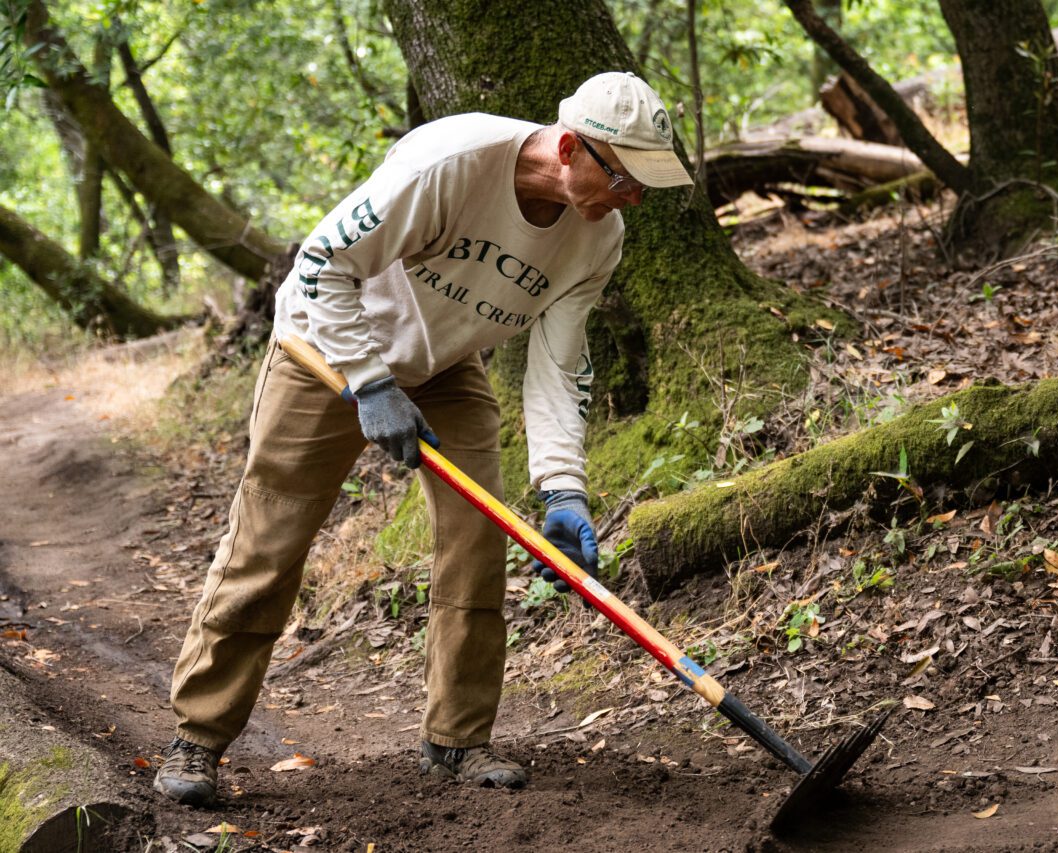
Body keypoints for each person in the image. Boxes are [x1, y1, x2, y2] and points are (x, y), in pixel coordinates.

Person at [153, 71, 692, 806]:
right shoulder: (450, 163)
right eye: (625, 179)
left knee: (477, 539)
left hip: (441, 364)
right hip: (326, 348)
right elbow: (321, 266)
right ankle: (198, 735)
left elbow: (558, 369)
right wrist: (371, 384)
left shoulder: (598, 238)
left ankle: (457, 739)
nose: (633, 199)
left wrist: (563, 489)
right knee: (270, 541)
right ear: (570, 149)